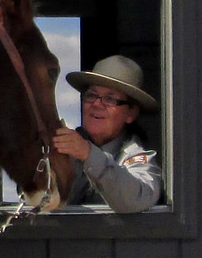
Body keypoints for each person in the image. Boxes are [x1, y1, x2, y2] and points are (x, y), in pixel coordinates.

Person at [51, 55, 163, 213]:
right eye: (91, 95)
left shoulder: (135, 155)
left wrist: (88, 154)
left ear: (130, 113)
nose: (96, 104)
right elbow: (35, 193)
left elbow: (138, 197)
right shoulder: (67, 148)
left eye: (110, 99)